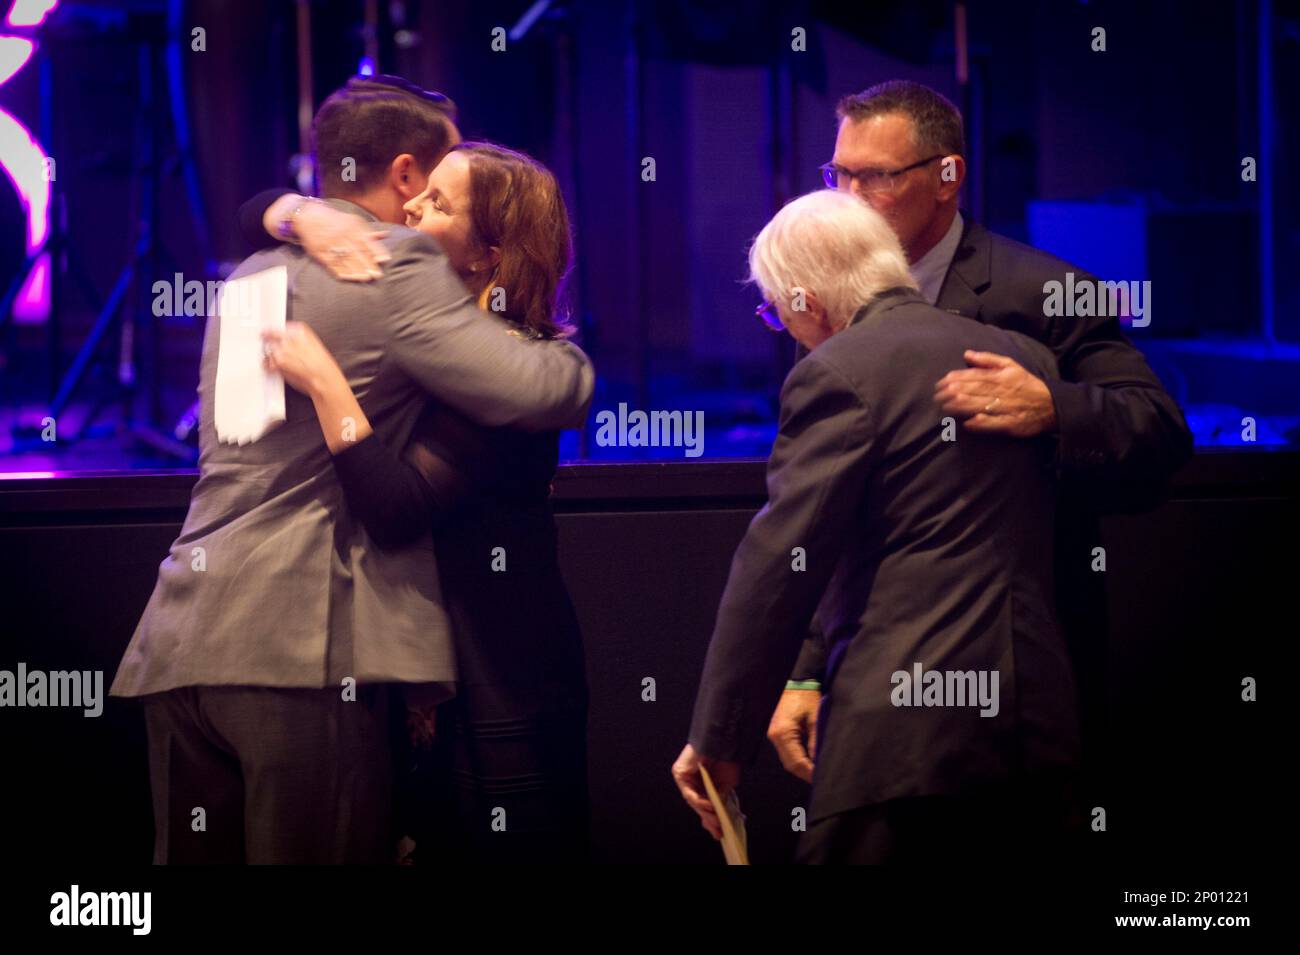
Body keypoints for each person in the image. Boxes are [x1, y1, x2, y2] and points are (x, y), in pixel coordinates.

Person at [108, 76, 594, 864]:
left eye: (442, 204)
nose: (417, 213)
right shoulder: (401, 271)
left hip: (183, 637)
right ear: (402, 174)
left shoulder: (253, 276)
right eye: (426, 188)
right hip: (301, 648)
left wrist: (286, 210)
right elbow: (550, 386)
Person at [767, 81, 1193, 795]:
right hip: (873, 667)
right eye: (838, 174)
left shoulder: (1046, 291)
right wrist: (806, 666)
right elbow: (831, 513)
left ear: (946, 178)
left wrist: (1055, 407)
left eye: (874, 176)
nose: (847, 195)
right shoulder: (831, 300)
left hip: (1016, 671)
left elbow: (1159, 431)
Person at [672, 188, 1082, 863]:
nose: (785, 330)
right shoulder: (1022, 357)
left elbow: (778, 567)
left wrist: (719, 738)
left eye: (776, 313)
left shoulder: (836, 372)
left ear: (804, 299)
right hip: (1036, 725)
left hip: (903, 741)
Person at [256, 143, 590, 863]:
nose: (410, 207)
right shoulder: (441, 347)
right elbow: (251, 212)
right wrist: (296, 211)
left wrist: (324, 383)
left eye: (437, 203)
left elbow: (399, 505)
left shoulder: (507, 362)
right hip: (452, 664)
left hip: (503, 670)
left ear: (488, 256)